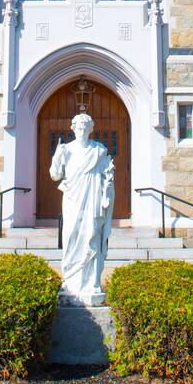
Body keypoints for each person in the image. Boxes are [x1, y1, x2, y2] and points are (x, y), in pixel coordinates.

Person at [50, 112, 114, 303]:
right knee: (71, 235)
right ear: (73, 129)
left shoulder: (99, 150)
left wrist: (106, 194)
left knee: (91, 236)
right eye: (78, 128)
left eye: (85, 128)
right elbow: (55, 175)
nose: (81, 131)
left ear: (90, 129)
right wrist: (56, 157)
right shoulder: (66, 150)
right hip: (72, 199)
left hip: (93, 199)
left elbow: (107, 175)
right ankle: (70, 281)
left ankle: (92, 283)